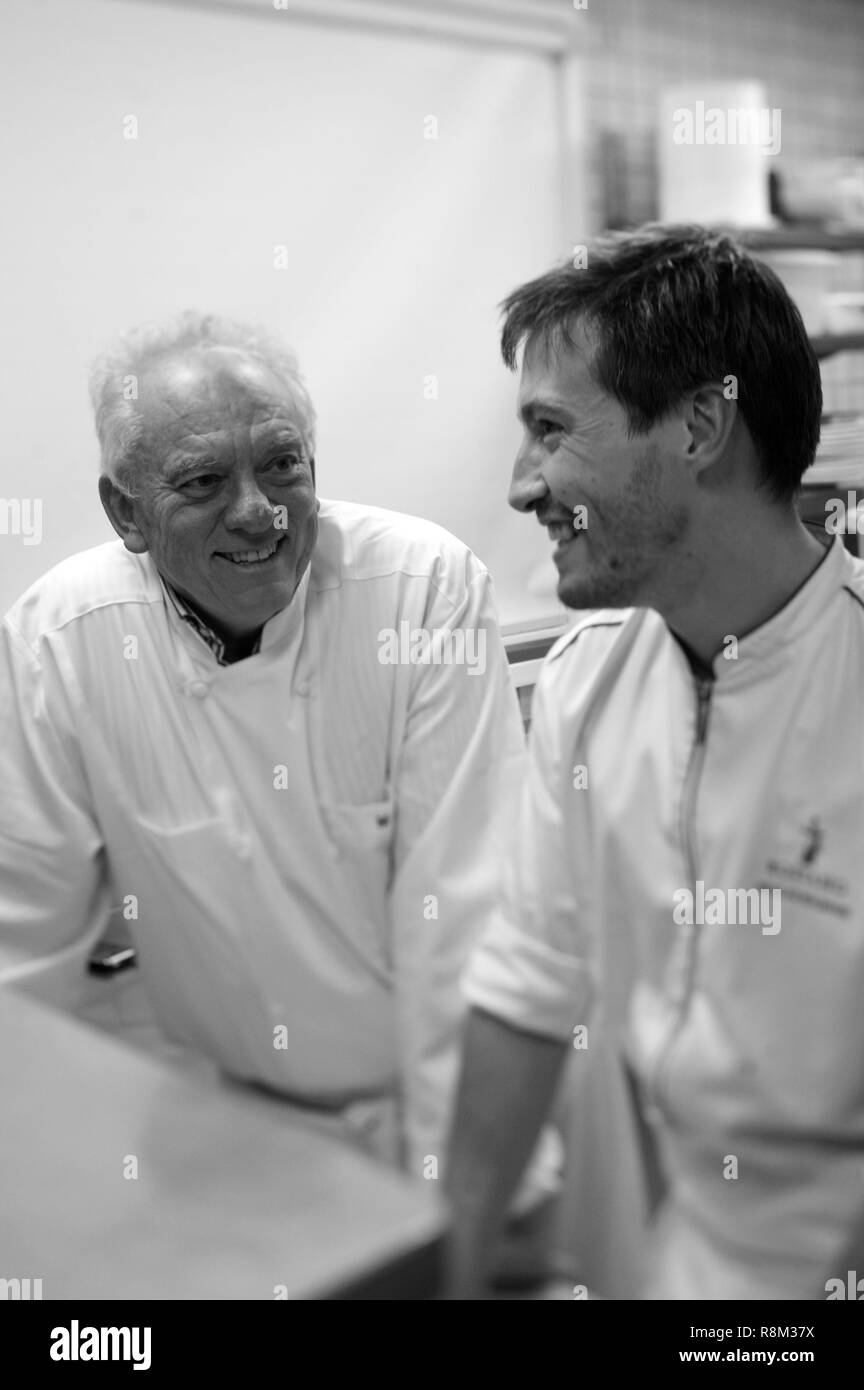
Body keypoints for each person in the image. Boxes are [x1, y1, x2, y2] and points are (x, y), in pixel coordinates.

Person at [0, 311, 526, 1180]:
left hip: (440, 1106)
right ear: (125, 513)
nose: (258, 514)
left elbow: (465, 911)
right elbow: (20, 952)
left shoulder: (421, 589)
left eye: (282, 466)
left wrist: (465, 1187)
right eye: (203, 482)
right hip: (221, 1121)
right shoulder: (61, 641)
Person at [446, 224, 864, 1299]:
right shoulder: (591, 684)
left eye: (550, 430)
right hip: (653, 1247)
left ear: (699, 423)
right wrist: (453, 1261)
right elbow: (528, 985)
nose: (521, 485)